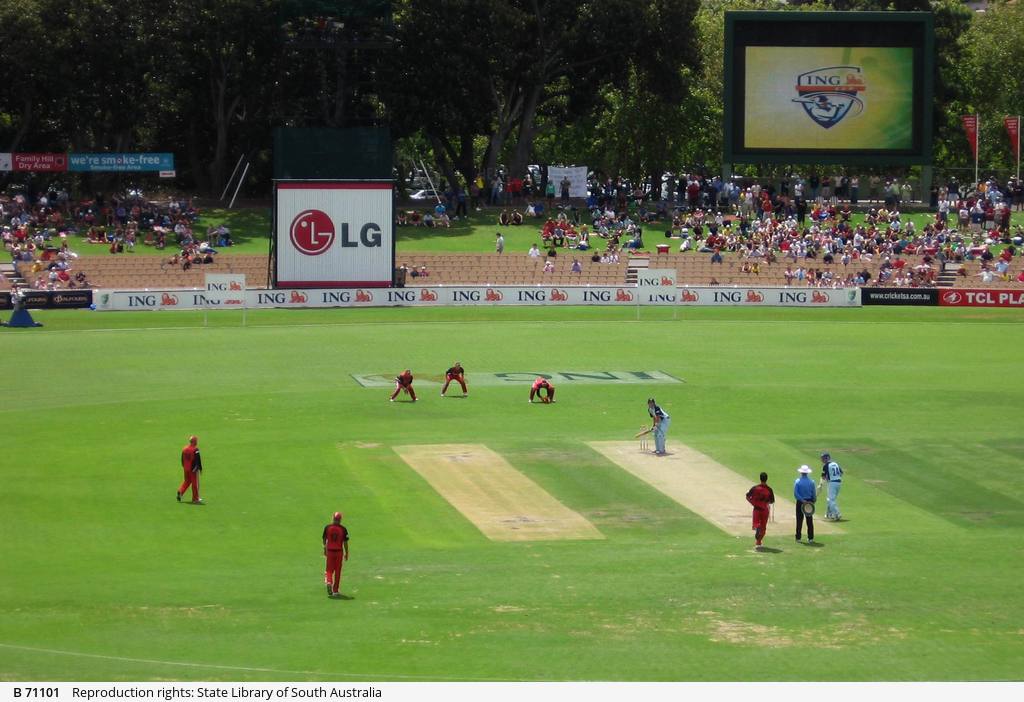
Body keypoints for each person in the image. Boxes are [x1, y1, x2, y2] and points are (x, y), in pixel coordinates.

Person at [322, 511, 350, 597]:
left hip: (330, 551)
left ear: (333, 518)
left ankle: (329, 581)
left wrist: (325, 549)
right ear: (340, 519)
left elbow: (324, 539)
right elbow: (345, 542)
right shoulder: (343, 529)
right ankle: (335, 590)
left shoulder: (327, 527)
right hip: (339, 552)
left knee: (329, 569)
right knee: (338, 571)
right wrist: (346, 552)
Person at [746, 472, 775, 548]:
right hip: (765, 509)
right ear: (766, 479)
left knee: (756, 524)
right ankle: (758, 542)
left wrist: (753, 502)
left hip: (756, 509)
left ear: (760, 478)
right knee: (763, 527)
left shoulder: (755, 488)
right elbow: (772, 501)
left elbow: (747, 496)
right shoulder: (769, 489)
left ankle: (757, 527)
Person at [176, 435, 203, 504]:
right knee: (195, 484)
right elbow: (198, 460)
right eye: (196, 441)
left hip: (186, 468)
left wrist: (184, 466)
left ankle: (180, 491)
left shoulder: (184, 449)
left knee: (187, 481)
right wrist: (199, 468)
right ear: (193, 442)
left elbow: (182, 459)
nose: (197, 442)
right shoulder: (195, 449)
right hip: (193, 469)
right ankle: (195, 499)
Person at [794, 465, 816, 542]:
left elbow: (796, 494)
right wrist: (813, 501)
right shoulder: (811, 482)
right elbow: (813, 494)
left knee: (799, 520)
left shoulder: (797, 481)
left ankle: (798, 537)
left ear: (801, 473)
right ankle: (810, 538)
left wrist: (802, 500)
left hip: (800, 502)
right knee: (809, 520)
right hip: (809, 502)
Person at [819, 451, 843, 520]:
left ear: (827, 458)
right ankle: (828, 514)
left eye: (823, 458)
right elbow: (841, 473)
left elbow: (823, 477)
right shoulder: (835, 463)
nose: (822, 460)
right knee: (831, 499)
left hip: (832, 483)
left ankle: (837, 514)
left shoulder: (826, 466)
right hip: (838, 482)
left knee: (830, 500)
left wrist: (821, 484)